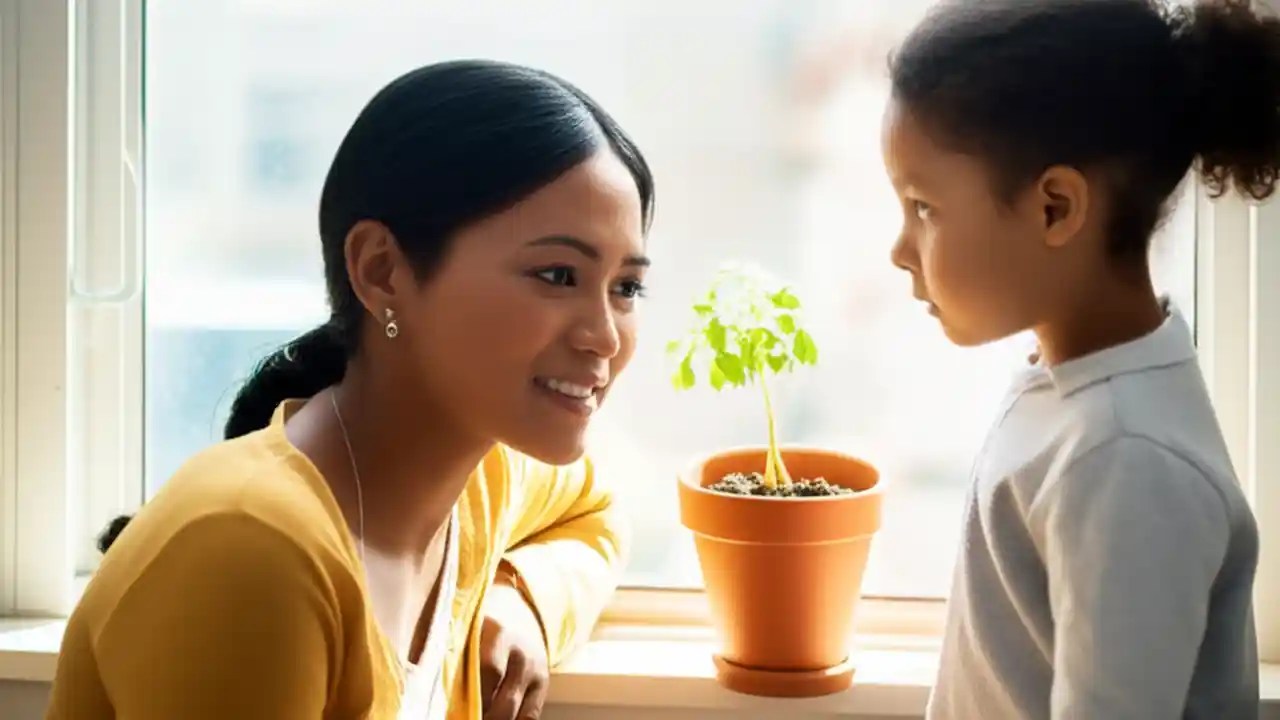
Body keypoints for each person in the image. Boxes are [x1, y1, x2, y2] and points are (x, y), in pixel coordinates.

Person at [45, 58, 655, 720]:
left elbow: (595, 513)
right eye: (558, 275)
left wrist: (524, 598)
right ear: (382, 271)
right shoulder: (252, 554)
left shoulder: (482, 480)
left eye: (626, 287)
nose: (606, 335)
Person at [882, 0, 1277, 717]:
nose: (901, 251)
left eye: (924, 209)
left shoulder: (1125, 457)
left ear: (1056, 208)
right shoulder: (1074, 393)